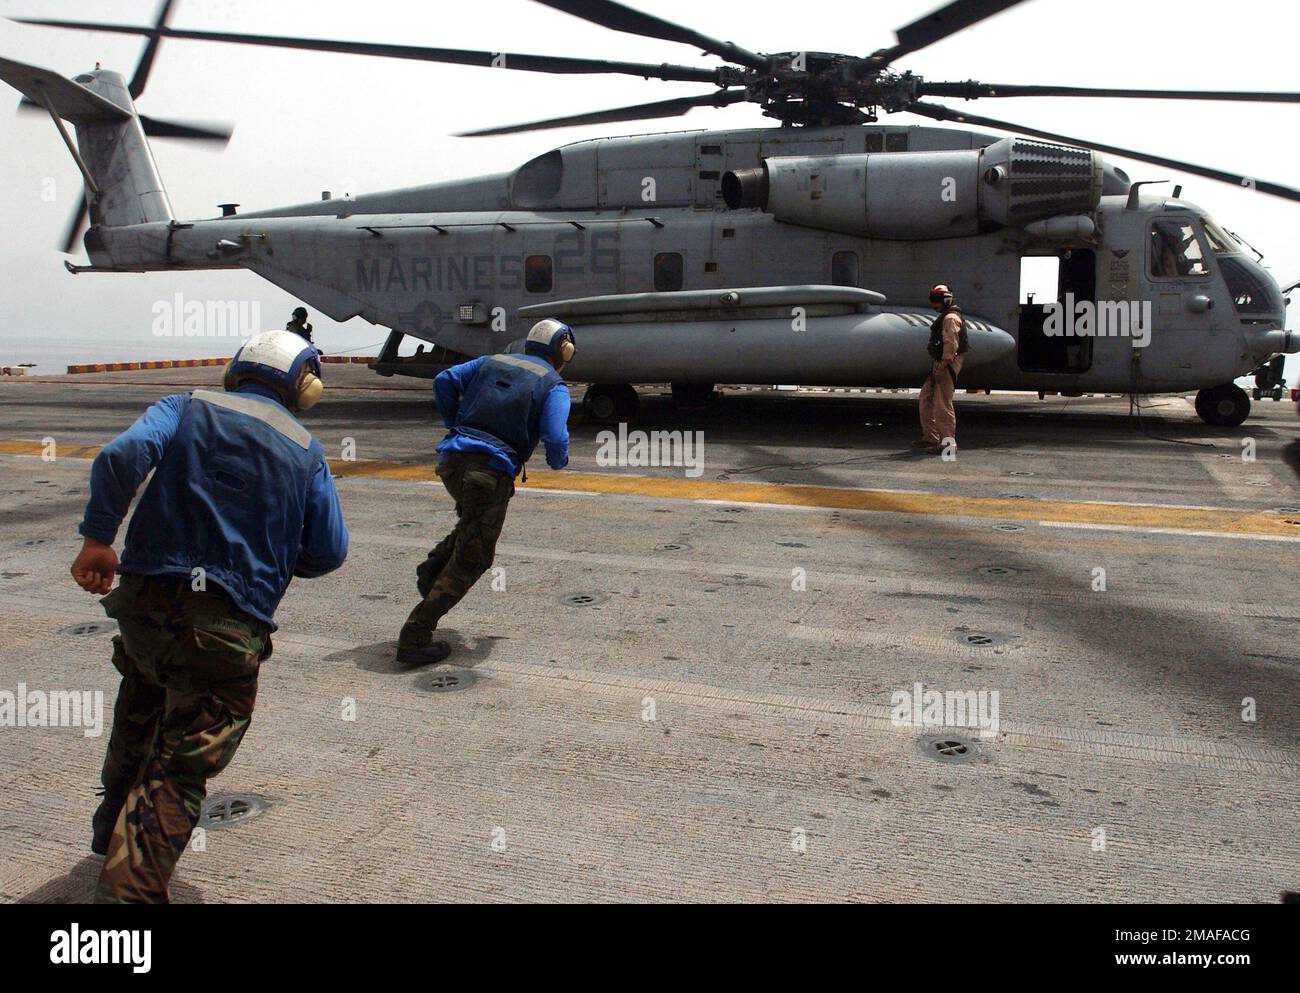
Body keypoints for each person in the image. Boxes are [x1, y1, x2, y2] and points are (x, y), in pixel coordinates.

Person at [71, 330, 348, 903]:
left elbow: (121, 456)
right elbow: (328, 551)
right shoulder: (306, 450)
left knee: (143, 700)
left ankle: (108, 833)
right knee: (180, 766)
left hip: (144, 609)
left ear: (235, 372)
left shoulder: (183, 406)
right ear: (305, 388)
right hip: (224, 629)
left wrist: (99, 538)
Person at [397, 319, 575, 666]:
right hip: (488, 473)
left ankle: (433, 568)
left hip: (452, 462)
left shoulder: (490, 360)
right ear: (563, 351)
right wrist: (558, 461)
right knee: (474, 557)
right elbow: (556, 437)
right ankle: (416, 634)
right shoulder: (554, 385)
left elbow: (444, 380)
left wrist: (454, 424)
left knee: (473, 525)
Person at [915, 283, 969, 455]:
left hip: (947, 364)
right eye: (932, 300)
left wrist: (943, 365)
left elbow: (951, 345)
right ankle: (931, 437)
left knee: (942, 404)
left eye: (937, 300)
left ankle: (948, 444)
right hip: (940, 362)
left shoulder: (950, 318)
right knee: (925, 398)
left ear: (946, 299)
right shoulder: (946, 316)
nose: (934, 304)